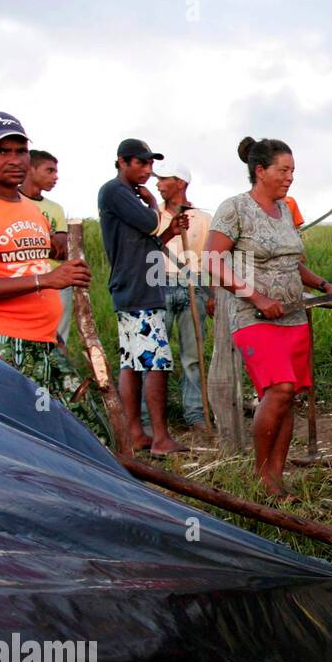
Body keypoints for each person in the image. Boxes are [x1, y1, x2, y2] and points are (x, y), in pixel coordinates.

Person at [203, 136, 332, 500]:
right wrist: (258, 297)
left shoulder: (286, 210)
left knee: (288, 394)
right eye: (283, 170)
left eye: (293, 170)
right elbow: (212, 260)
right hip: (253, 316)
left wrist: (324, 285)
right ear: (260, 171)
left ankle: (277, 477)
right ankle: (262, 475)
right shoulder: (235, 209)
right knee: (278, 389)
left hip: (293, 317)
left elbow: (293, 262)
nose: (290, 177)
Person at [0, 113, 102, 434]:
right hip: (5, 346)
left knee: (86, 431)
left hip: (46, 342)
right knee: (22, 436)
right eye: (2, 151)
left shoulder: (32, 209)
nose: (14, 160)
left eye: (20, 150)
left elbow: (36, 261)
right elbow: (41, 276)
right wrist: (47, 281)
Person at [98, 138, 189, 456]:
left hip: (134, 285)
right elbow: (150, 222)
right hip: (138, 289)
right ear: (122, 161)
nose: (147, 170)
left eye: (150, 164)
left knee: (133, 362)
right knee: (157, 363)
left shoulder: (125, 194)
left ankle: (136, 433)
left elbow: (147, 241)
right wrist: (152, 203)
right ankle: (161, 439)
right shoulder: (117, 191)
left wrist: (170, 233)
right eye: (141, 162)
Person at [154, 162, 211, 431]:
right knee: (156, 355)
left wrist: (211, 294)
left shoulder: (201, 218)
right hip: (158, 284)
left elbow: (211, 258)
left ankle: (195, 414)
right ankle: (153, 417)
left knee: (192, 355)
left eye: (164, 179)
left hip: (194, 285)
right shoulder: (152, 215)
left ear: (180, 183)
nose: (158, 184)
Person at [19, 150, 68, 343]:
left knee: (57, 338)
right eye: (49, 171)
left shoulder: (55, 208)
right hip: (22, 281)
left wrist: (29, 239)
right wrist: (48, 238)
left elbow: (61, 252)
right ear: (30, 169)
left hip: (56, 281)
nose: (55, 177)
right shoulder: (10, 202)